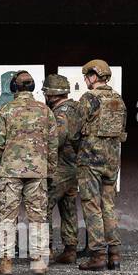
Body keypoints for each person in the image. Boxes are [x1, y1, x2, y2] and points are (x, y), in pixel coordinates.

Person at [0, 70, 57, 275]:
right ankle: (38, 262)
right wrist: (50, 171)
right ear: (33, 87)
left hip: (10, 171)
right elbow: (53, 145)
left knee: (7, 217)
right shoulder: (45, 111)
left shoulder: (5, 110)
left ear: (14, 88)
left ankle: (6, 262)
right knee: (38, 217)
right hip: (37, 171)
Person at [72, 59, 127, 271]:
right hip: (112, 160)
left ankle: (98, 255)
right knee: (109, 205)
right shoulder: (118, 100)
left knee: (91, 205)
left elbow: (75, 128)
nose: (85, 80)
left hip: (90, 160)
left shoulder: (89, 98)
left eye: (87, 76)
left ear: (94, 76)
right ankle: (114, 254)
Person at [42, 73, 83, 264]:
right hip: (74, 165)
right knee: (68, 208)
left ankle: (45, 249)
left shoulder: (61, 113)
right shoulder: (76, 109)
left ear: (51, 94)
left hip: (61, 167)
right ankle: (70, 249)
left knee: (44, 206)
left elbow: (57, 139)